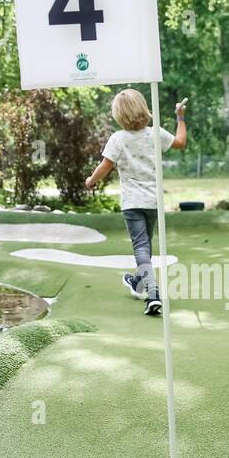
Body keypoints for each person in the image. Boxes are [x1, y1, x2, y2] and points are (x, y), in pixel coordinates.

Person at [84, 89, 187, 317]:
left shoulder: (117, 138)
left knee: (141, 247)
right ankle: (137, 282)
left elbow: (105, 166)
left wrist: (91, 181)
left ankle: (152, 294)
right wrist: (180, 118)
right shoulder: (155, 134)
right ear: (143, 109)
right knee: (145, 246)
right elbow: (180, 142)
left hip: (132, 203)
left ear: (119, 114)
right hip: (153, 202)